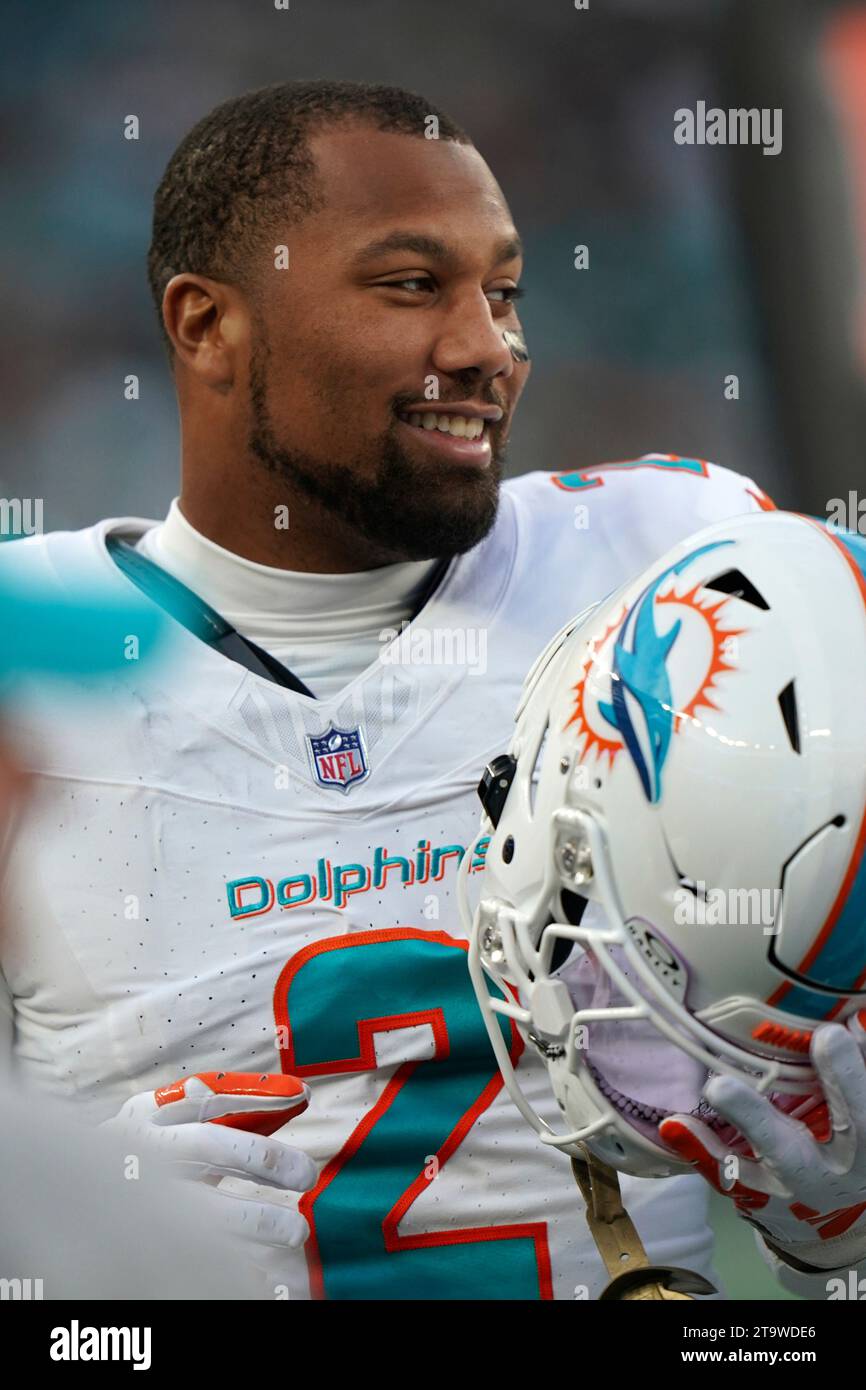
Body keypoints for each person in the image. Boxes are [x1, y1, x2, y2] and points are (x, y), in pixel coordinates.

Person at [0, 79, 780, 1300]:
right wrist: (59, 1253)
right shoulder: (29, 654)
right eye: (411, 285)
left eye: (503, 291)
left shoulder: (677, 580)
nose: (485, 348)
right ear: (207, 324)